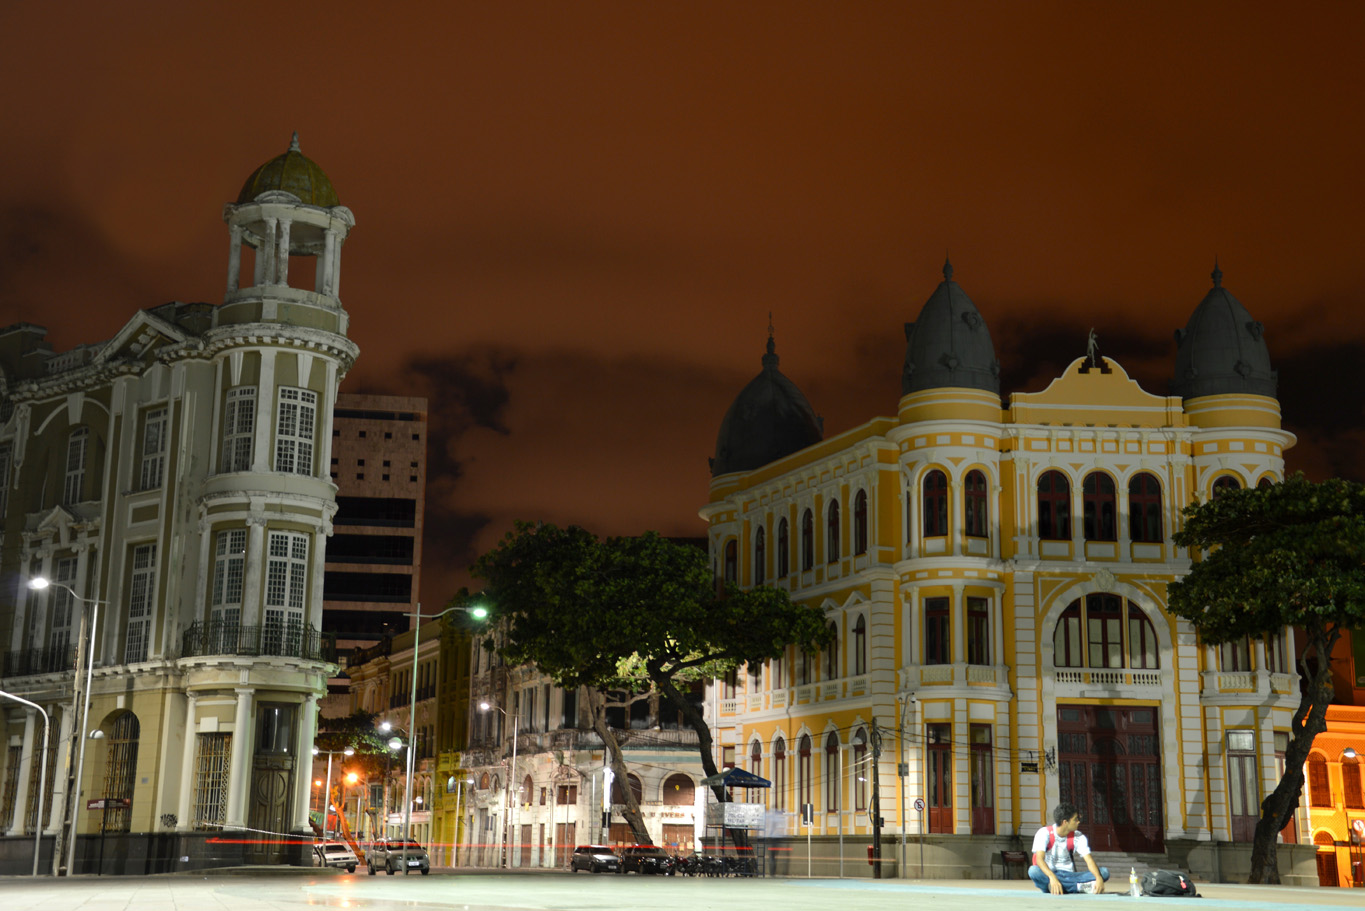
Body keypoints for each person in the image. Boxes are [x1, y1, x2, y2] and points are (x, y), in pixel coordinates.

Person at [1028, 803, 1110, 895]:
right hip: (1049, 874)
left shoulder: (1078, 836)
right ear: (1065, 822)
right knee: (1033, 871)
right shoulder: (1044, 833)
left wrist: (1098, 878)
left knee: (1104, 872)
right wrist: (1052, 877)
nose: (1078, 822)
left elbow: (1089, 860)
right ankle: (1078, 887)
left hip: (1070, 875)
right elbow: (1039, 860)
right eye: (1075, 819)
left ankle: (1061, 887)